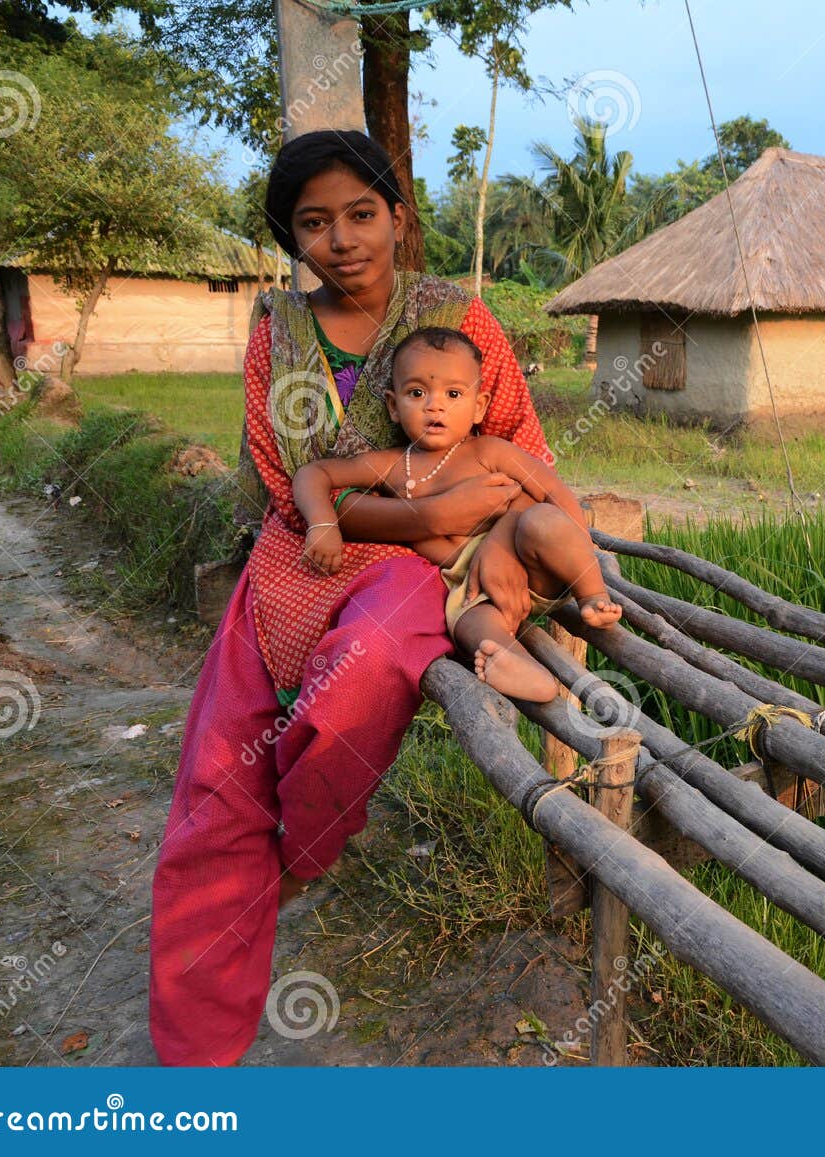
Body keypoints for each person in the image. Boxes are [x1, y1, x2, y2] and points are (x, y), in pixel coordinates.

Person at [148, 129, 550, 1067]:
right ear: (292, 238)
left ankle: (297, 858)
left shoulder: (458, 318)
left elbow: (519, 450)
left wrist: (461, 522)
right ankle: (193, 1061)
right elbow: (291, 472)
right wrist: (439, 504)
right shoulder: (276, 333)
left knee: (355, 688)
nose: (341, 239)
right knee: (213, 795)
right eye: (313, 223)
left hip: (418, 571)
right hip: (301, 555)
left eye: (361, 214)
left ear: (397, 218)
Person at [292, 326, 622, 703]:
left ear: (479, 406)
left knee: (542, 520)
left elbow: (555, 492)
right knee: (467, 621)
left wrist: (582, 561)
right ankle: (524, 671)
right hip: (473, 586)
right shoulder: (391, 466)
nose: (436, 406)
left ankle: (593, 597)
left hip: (537, 563)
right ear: (393, 406)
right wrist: (321, 523)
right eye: (417, 393)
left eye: (453, 394)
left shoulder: (490, 451)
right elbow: (314, 473)